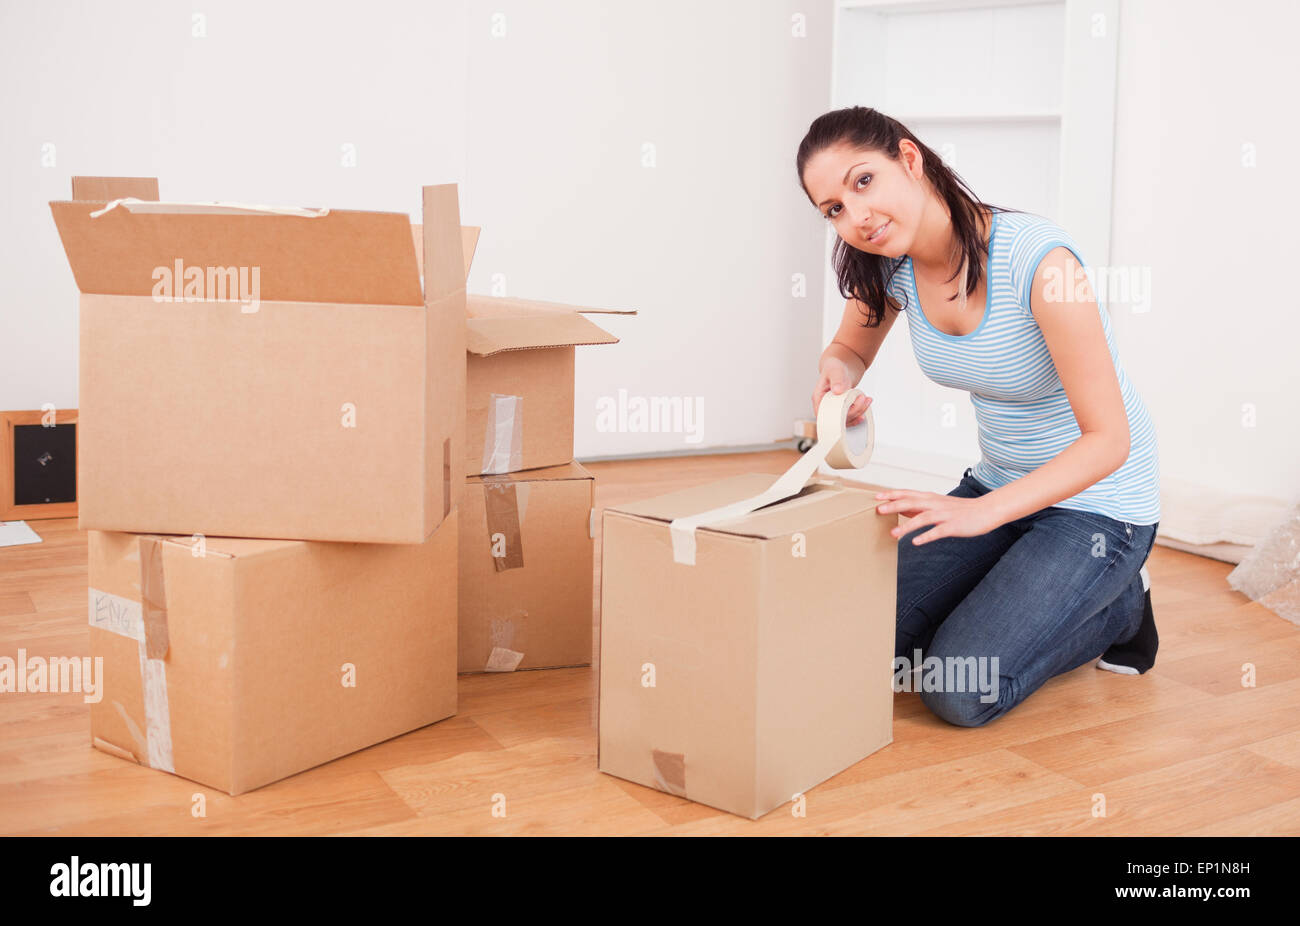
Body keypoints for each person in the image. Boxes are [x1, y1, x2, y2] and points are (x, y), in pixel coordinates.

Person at [798, 106, 1161, 727]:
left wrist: (979, 514)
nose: (855, 217)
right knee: (857, 644)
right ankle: (1024, 585)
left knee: (957, 691)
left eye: (863, 182)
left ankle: (1121, 609)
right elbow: (850, 349)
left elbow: (1109, 440)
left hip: (1099, 505)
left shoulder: (1042, 265)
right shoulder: (891, 263)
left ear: (909, 159)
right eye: (833, 208)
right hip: (998, 484)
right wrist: (838, 377)